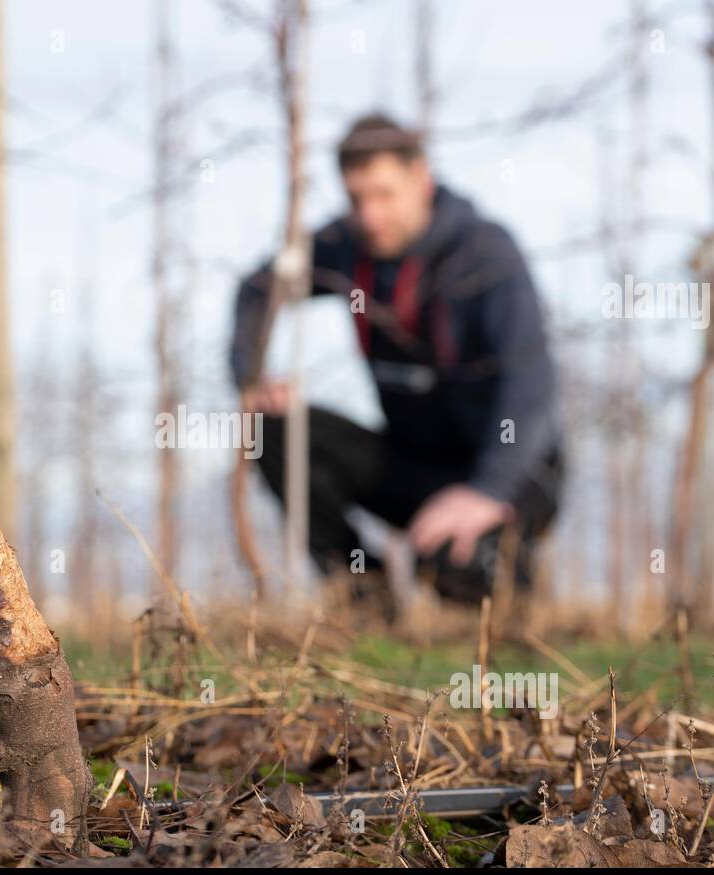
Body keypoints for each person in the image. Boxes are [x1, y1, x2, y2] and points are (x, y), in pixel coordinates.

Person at [230, 113, 562, 609]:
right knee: (269, 427)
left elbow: (530, 385)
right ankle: (363, 592)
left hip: (509, 471)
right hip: (413, 467)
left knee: (462, 567)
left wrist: (488, 490)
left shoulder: (486, 253)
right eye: (357, 198)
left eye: (385, 195)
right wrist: (252, 376)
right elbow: (258, 287)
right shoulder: (345, 249)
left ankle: (509, 584)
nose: (370, 216)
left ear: (421, 179)